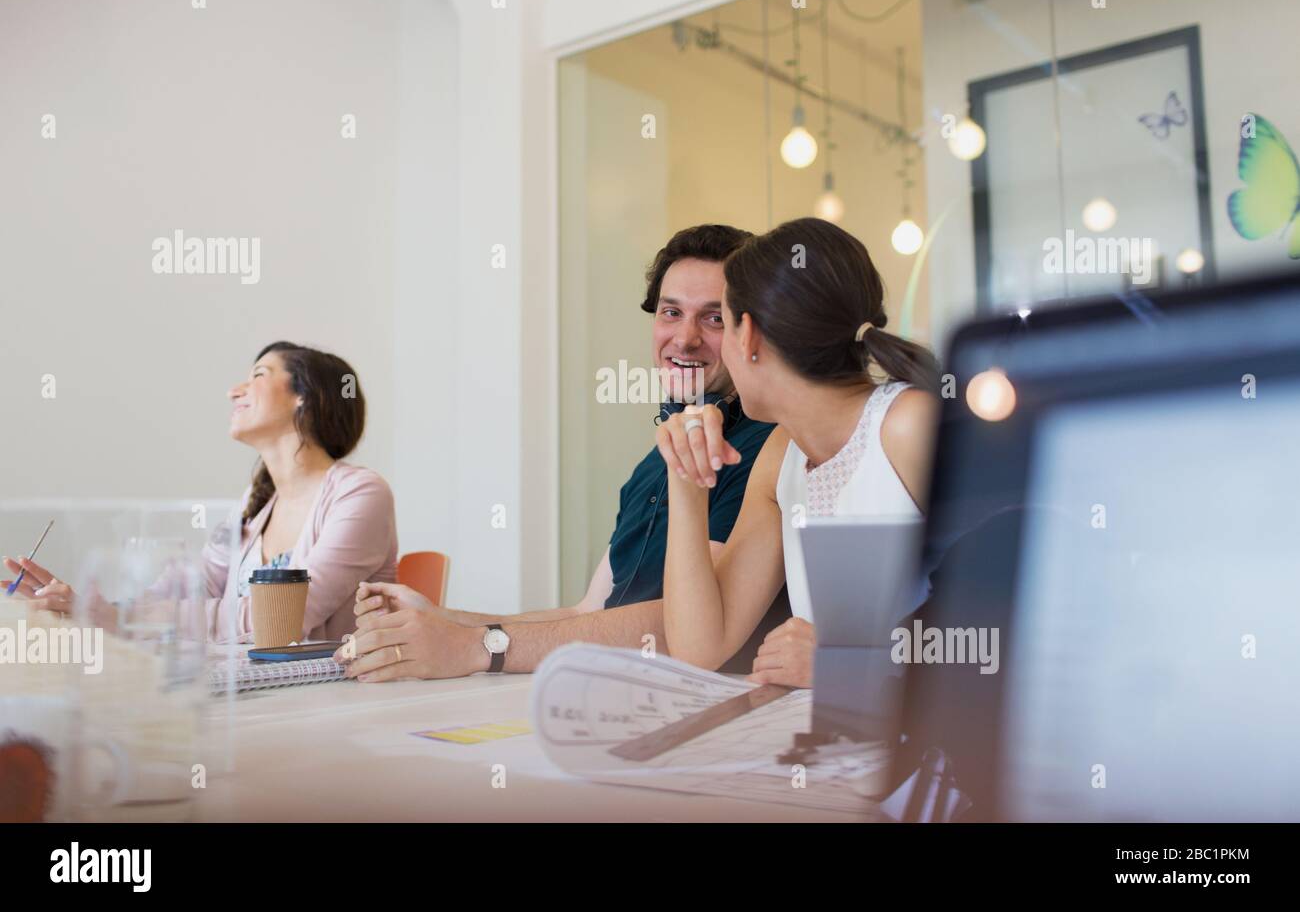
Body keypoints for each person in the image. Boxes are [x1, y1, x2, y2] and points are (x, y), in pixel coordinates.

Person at [336, 225, 782, 680]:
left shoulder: (762, 449)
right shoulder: (651, 467)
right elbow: (587, 611)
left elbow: (678, 628)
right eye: (671, 312)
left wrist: (475, 646)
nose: (684, 338)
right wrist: (442, 618)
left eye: (713, 319)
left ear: (747, 334)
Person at [654, 217, 941, 688]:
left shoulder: (909, 426)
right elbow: (699, 648)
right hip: (844, 748)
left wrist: (850, 666)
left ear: (747, 336)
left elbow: (1020, 626)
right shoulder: (782, 455)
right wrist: (685, 478)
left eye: (720, 323)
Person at [4, 342, 398, 643]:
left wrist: (120, 618)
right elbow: (190, 586)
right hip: (253, 697)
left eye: (258, 375)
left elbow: (283, 619)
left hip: (333, 706)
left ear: (305, 397)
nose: (234, 391)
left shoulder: (361, 494)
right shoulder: (253, 504)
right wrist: (84, 607)